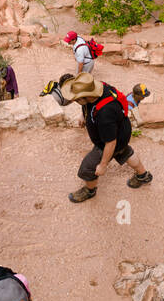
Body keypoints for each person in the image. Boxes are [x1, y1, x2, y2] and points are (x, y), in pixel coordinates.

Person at [60, 72, 152, 203]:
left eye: (76, 98)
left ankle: (90, 191)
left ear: (85, 96)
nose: (74, 101)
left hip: (112, 140)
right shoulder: (99, 88)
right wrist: (83, 115)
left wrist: (103, 165)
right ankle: (143, 176)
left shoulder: (105, 114)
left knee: (87, 168)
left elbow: (110, 143)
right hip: (122, 130)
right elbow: (85, 104)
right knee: (124, 152)